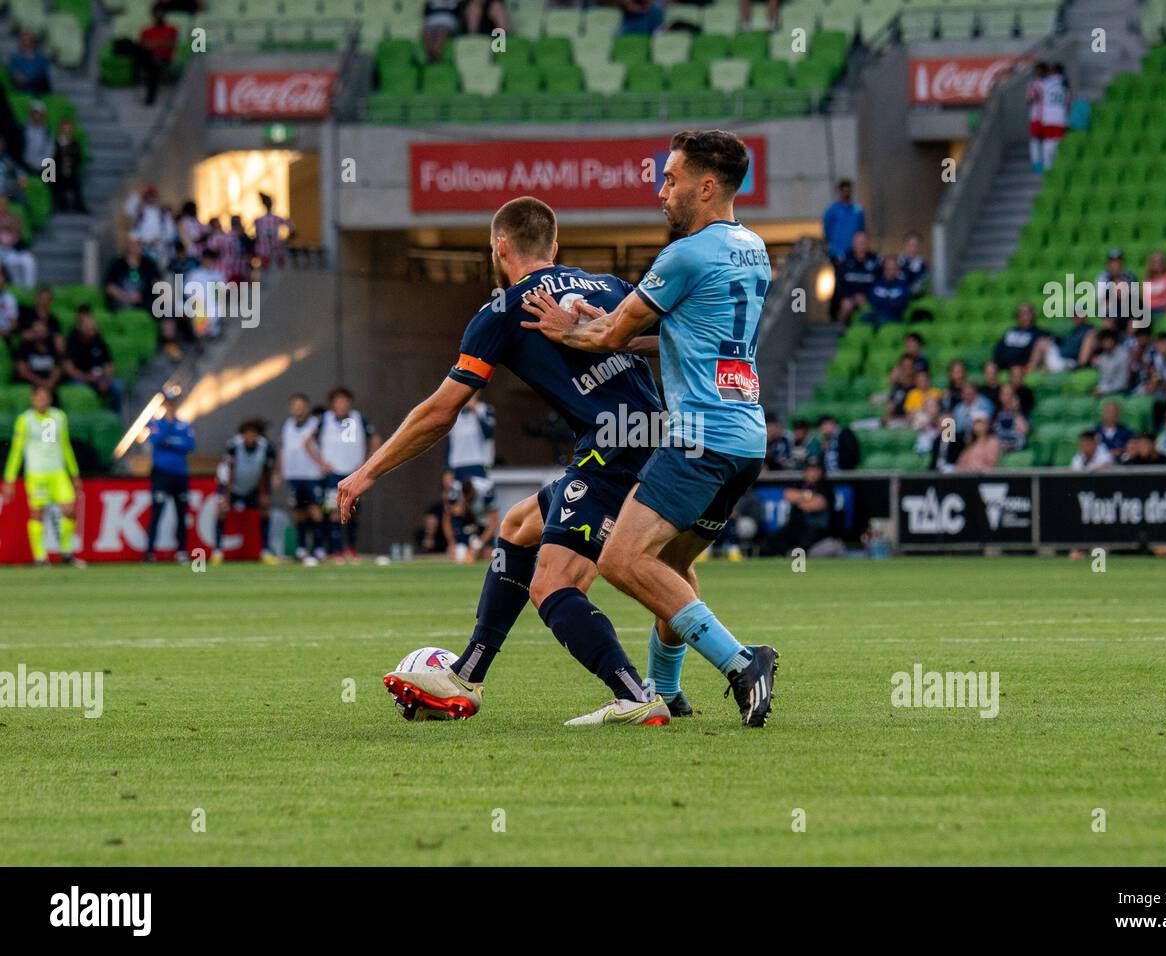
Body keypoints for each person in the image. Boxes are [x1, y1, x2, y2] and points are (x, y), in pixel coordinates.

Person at [337, 195, 685, 726]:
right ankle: (470, 673)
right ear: (555, 246)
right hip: (654, 440)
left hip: (613, 453)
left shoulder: (502, 310)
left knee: (553, 584)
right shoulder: (608, 287)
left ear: (501, 249)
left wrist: (367, 471)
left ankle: (636, 696)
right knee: (519, 525)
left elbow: (440, 411)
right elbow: (671, 337)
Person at [516, 131, 780, 727]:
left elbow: (609, 337)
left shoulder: (684, 254)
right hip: (745, 439)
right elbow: (677, 330)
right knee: (672, 567)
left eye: (672, 179)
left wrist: (567, 328)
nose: (662, 191)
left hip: (697, 436)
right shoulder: (752, 248)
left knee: (621, 559)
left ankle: (742, 662)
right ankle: (667, 689)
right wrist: (604, 321)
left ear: (706, 186)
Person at [2, 384, 83, 566]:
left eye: (45, 397)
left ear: (50, 399)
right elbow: (16, 451)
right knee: (38, 514)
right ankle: (40, 557)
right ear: (33, 399)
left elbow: (65, 446)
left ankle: (65, 552)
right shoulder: (25, 420)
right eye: (38, 397)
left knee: (70, 510)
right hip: (37, 474)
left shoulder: (58, 417)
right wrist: (9, 479)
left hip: (58, 473)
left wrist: (74, 473)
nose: (42, 400)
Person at [313, 387, 380, 563]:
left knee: (353, 511)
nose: (342, 404)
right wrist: (321, 462)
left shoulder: (358, 419)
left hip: (354, 473)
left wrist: (368, 463)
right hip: (333, 475)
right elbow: (307, 442)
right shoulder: (324, 420)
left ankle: (351, 549)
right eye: (338, 401)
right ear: (332, 403)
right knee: (334, 512)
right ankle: (336, 551)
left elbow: (375, 439)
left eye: (344, 401)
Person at [212, 420, 278, 565]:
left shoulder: (265, 447)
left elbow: (264, 472)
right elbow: (229, 471)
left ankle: (265, 551)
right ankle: (217, 551)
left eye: (253, 433)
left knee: (265, 511)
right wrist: (226, 495)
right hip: (232, 487)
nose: (250, 436)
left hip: (252, 487)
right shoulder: (234, 446)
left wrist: (264, 494)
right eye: (247, 433)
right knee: (221, 511)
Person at [142, 395, 196, 562]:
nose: (171, 406)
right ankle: (150, 552)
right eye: (168, 403)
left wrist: (170, 442)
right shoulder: (157, 424)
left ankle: (181, 551)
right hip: (161, 474)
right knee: (157, 513)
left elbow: (190, 446)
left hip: (180, 475)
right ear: (164, 405)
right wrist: (171, 428)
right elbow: (156, 441)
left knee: (181, 514)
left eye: (173, 402)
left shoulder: (185, 424)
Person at [276, 393, 327, 565]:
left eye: (301, 405)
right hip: (293, 475)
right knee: (299, 513)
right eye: (295, 405)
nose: (298, 409)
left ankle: (319, 548)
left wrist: (322, 463)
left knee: (315, 510)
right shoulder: (288, 426)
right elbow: (284, 449)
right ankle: (302, 548)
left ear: (307, 407)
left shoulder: (316, 424)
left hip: (312, 475)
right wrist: (280, 472)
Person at [62, 306, 124, 412]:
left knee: (117, 386)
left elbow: (110, 364)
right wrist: (88, 378)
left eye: (93, 327)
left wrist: (106, 379)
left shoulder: (99, 341)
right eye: (88, 328)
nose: (91, 330)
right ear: (80, 328)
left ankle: (114, 416)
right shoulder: (72, 341)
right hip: (81, 378)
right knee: (80, 389)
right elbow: (69, 369)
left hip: (100, 378)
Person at [773, 458, 834, 554]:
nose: (812, 473)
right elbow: (788, 494)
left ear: (821, 472)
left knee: (806, 539)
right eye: (809, 470)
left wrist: (800, 499)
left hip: (816, 527)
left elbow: (817, 504)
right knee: (775, 539)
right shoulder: (799, 483)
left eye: (815, 470)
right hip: (796, 525)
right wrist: (809, 496)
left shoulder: (826, 487)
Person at [444, 474, 500, 563]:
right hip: (465, 522)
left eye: (470, 498)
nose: (469, 501)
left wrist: (478, 545)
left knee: (488, 555)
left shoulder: (486, 492)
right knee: (460, 556)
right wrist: (451, 543)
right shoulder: (455, 492)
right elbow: (446, 519)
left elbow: (493, 524)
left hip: (483, 521)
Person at [832, 230, 880, 325]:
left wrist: (867, 297)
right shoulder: (844, 260)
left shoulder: (876, 260)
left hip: (869, 299)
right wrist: (850, 297)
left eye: (863, 242)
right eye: (858, 242)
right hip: (849, 298)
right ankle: (841, 331)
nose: (861, 245)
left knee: (868, 308)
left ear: (868, 244)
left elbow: (879, 283)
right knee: (846, 305)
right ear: (853, 243)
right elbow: (840, 284)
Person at [137, 3, 178, 105]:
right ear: (153, 14)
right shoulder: (145, 31)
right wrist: (161, 43)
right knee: (148, 59)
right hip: (148, 59)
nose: (159, 15)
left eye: (161, 12)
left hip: (164, 60)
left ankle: (150, 96)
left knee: (153, 64)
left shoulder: (172, 30)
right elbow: (144, 46)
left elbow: (170, 45)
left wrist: (152, 44)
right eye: (157, 13)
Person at [447, 392, 494, 479]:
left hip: (478, 463)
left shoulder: (485, 410)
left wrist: (476, 412)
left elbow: (489, 434)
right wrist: (447, 470)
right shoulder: (453, 413)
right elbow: (449, 443)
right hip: (457, 465)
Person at [993, 301, 1050, 370]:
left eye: (1027, 313)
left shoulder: (1040, 333)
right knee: (990, 367)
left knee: (1016, 369)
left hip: (1023, 367)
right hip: (1004, 364)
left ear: (1033, 315)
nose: (1024, 317)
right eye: (1021, 313)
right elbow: (999, 348)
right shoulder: (1010, 331)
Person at [13, 317, 63, 391]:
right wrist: (40, 382)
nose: (40, 333)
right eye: (37, 330)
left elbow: (58, 367)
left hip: (50, 384)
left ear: (46, 330)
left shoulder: (52, 345)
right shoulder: (25, 346)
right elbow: (22, 370)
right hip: (31, 383)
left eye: (42, 329)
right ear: (32, 331)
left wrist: (51, 381)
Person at [822, 178, 865, 262]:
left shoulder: (857, 209)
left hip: (854, 252)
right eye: (844, 191)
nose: (846, 193)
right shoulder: (832, 210)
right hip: (837, 251)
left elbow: (861, 229)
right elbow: (827, 229)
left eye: (848, 191)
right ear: (840, 192)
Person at [862, 255, 911, 328]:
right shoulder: (876, 285)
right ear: (884, 269)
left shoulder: (903, 286)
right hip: (876, 315)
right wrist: (889, 301)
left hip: (893, 318)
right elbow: (872, 301)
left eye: (893, 268)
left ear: (898, 270)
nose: (890, 271)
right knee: (864, 317)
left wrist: (884, 302)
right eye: (887, 268)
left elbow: (900, 304)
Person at [51, 118, 85, 213]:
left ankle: (78, 205)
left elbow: (79, 158)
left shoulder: (75, 143)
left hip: (71, 170)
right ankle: (60, 205)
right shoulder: (54, 142)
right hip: (57, 171)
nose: (66, 131)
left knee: (76, 181)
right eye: (64, 128)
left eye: (68, 128)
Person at [253, 193, 293, 271]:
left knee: (279, 270)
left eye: (269, 202)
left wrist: (286, 239)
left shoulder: (277, 218)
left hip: (277, 249)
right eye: (266, 202)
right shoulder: (259, 220)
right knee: (266, 270)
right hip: (264, 251)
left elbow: (291, 226)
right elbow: (257, 236)